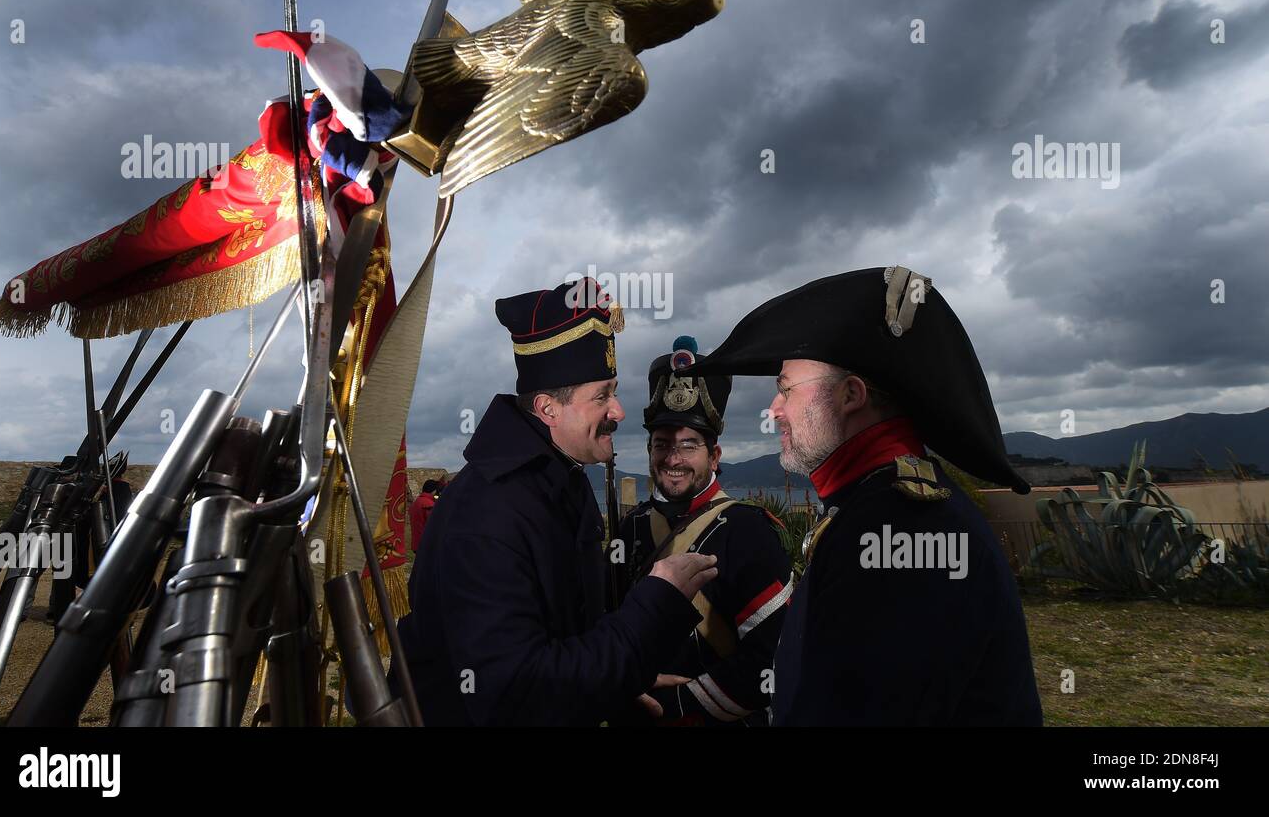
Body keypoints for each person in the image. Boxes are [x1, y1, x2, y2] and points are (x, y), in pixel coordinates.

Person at [680, 266, 1043, 726]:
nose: (774, 411)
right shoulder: (873, 506)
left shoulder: (900, 527)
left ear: (850, 395)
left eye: (785, 389)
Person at [399, 278, 718, 725]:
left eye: (614, 389)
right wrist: (654, 606)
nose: (620, 411)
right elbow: (516, 692)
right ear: (549, 409)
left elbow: (565, 643)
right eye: (602, 396)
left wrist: (614, 685)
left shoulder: (559, 484)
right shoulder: (489, 513)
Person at [612, 336, 792, 726]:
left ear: (714, 455)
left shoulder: (749, 531)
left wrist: (673, 705)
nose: (673, 459)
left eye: (689, 445)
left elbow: (773, 657)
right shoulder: (632, 527)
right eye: (662, 443)